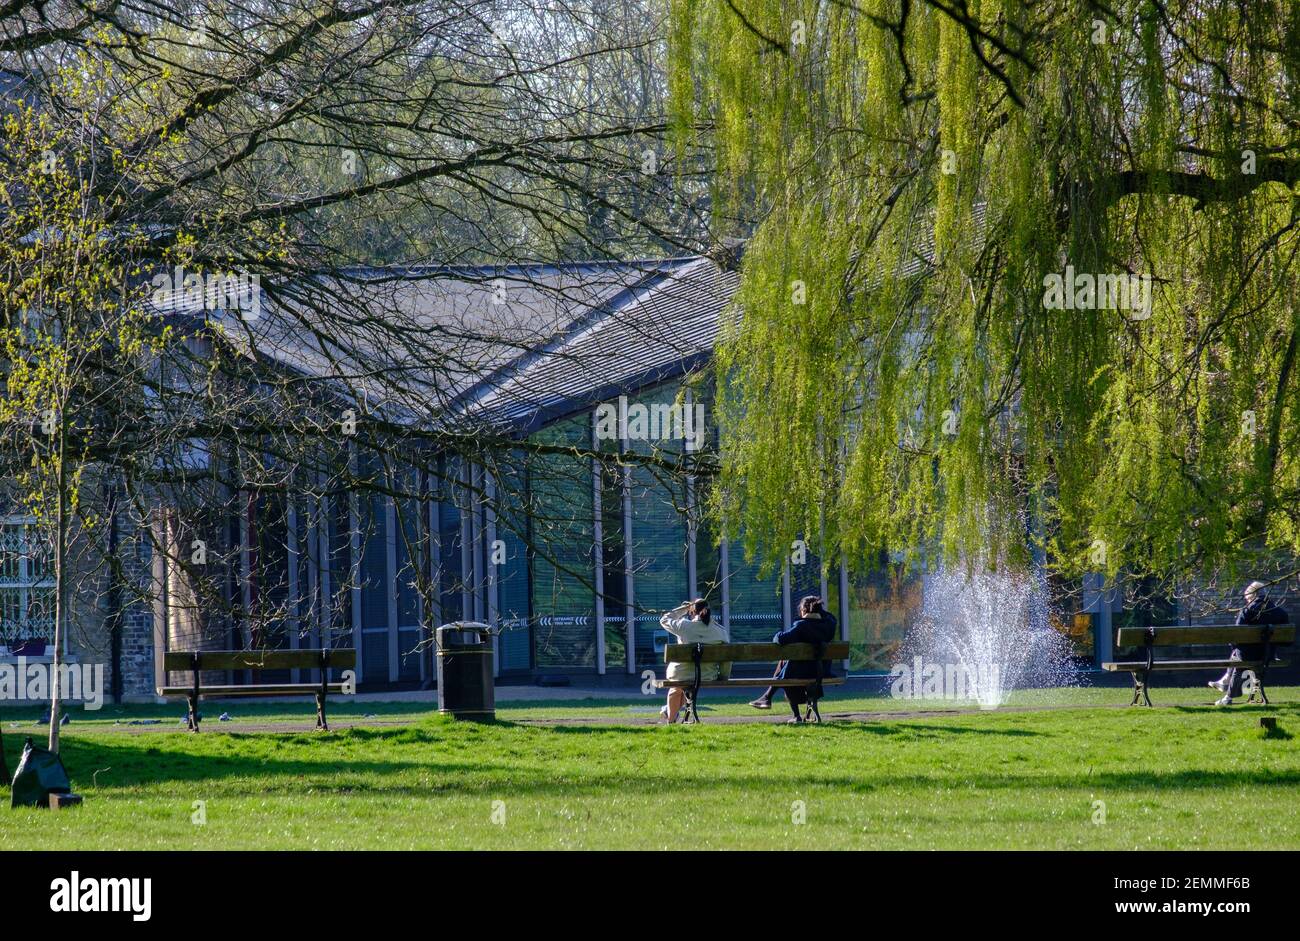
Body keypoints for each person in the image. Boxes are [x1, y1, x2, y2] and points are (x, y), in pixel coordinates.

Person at [749, 595, 837, 722]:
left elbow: (781, 639)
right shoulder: (830, 625)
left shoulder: (801, 626)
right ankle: (768, 698)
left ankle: (793, 713)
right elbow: (829, 616)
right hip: (821, 671)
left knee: (785, 671)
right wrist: (818, 610)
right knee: (786, 665)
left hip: (800, 672)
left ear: (804, 611)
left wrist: (776, 634)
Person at [1209, 580, 1289, 706]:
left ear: (1251, 596)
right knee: (1238, 656)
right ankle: (1226, 683)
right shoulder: (1279, 611)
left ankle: (1228, 695)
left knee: (1237, 657)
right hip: (1267, 655)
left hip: (1248, 655)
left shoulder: (1247, 610)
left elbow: (1236, 635)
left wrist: (1235, 647)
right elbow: (1286, 641)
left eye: (1247, 598)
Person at [660, 599, 729, 722]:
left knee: (678, 686)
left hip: (680, 674)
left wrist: (684, 608)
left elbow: (664, 619)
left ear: (692, 612)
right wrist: (723, 676)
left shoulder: (683, 626)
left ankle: (670, 720)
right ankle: (672, 714)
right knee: (681, 687)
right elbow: (727, 658)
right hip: (706, 675)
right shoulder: (720, 631)